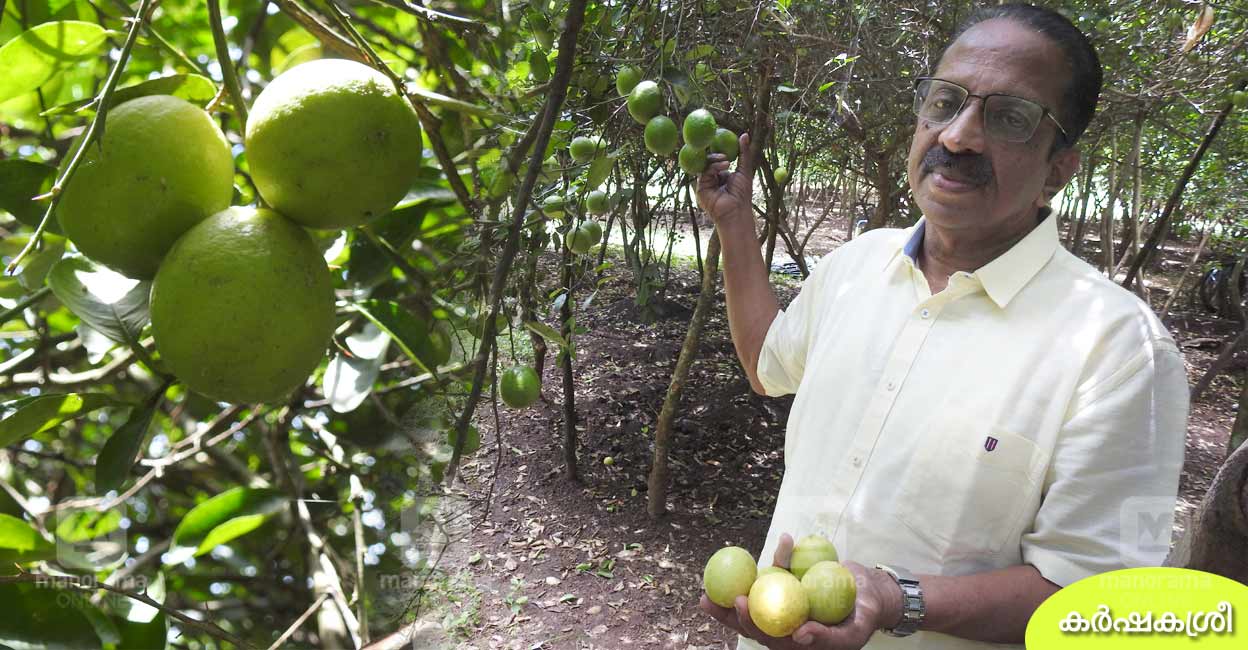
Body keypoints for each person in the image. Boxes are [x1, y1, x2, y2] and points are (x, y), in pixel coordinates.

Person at [695, 4, 1189, 649]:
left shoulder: (1121, 352)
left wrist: (899, 600)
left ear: (1058, 169)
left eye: (1009, 117)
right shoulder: (856, 265)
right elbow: (768, 364)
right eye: (945, 101)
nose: (958, 137)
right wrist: (736, 224)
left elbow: (1103, 604)